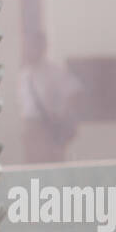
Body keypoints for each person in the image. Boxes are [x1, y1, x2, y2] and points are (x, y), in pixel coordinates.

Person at [20, 31, 84, 162]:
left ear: (41, 48)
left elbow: (75, 91)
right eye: (27, 46)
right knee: (32, 169)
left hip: (48, 127)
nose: (29, 50)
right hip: (30, 127)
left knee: (51, 164)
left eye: (32, 46)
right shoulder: (24, 74)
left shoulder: (53, 72)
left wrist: (63, 115)